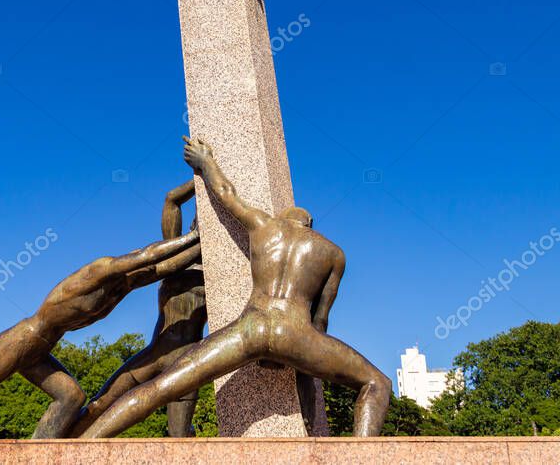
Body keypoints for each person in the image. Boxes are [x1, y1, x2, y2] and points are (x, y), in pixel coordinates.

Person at [80, 137, 391, 438]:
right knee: (377, 383)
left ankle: (85, 446)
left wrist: (205, 162)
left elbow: (226, 193)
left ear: (283, 218)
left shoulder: (265, 226)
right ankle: (360, 454)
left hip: (250, 328)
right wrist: (302, 364)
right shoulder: (334, 253)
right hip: (296, 333)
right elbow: (319, 321)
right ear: (308, 225)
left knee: (160, 388)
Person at [0, 227, 200, 440]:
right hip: (20, 341)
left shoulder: (123, 285)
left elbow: (160, 268)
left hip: (40, 351)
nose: (141, 275)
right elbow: (148, 255)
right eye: (135, 270)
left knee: (71, 396)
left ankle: (39, 452)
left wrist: (201, 247)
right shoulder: (99, 270)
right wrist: (194, 237)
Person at [69, 180, 207, 436]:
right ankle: (58, 450)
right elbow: (171, 200)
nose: (200, 226)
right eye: (199, 222)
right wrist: (202, 178)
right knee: (99, 404)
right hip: (154, 354)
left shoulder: (215, 275)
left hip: (186, 361)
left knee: (178, 439)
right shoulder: (173, 259)